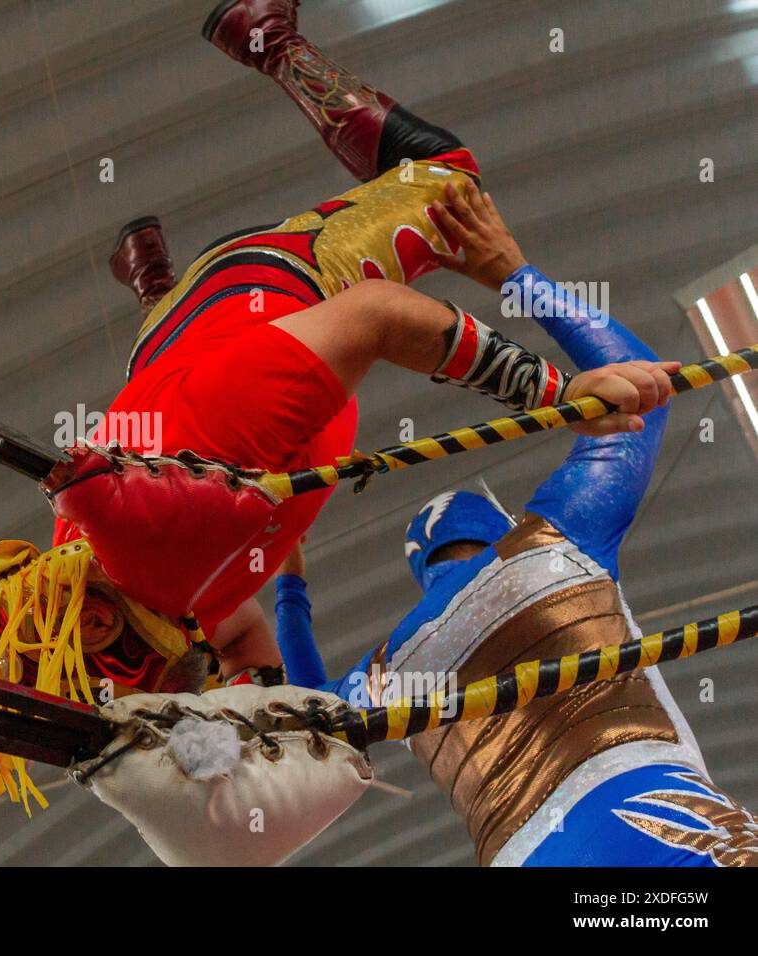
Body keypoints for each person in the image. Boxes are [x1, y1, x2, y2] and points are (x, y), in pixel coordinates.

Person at [82, 0, 662, 687]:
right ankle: (153, 285)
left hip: (253, 291)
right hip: (158, 353)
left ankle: (270, 41)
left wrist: (552, 380)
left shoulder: (404, 671)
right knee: (181, 383)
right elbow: (253, 661)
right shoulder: (138, 580)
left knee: (449, 180)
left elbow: (378, 314)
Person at [273, 185, 758, 866]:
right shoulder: (551, 540)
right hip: (650, 807)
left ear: (423, 570)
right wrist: (512, 274)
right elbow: (642, 392)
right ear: (497, 525)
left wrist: (287, 579)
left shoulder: (386, 675)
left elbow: (309, 715)